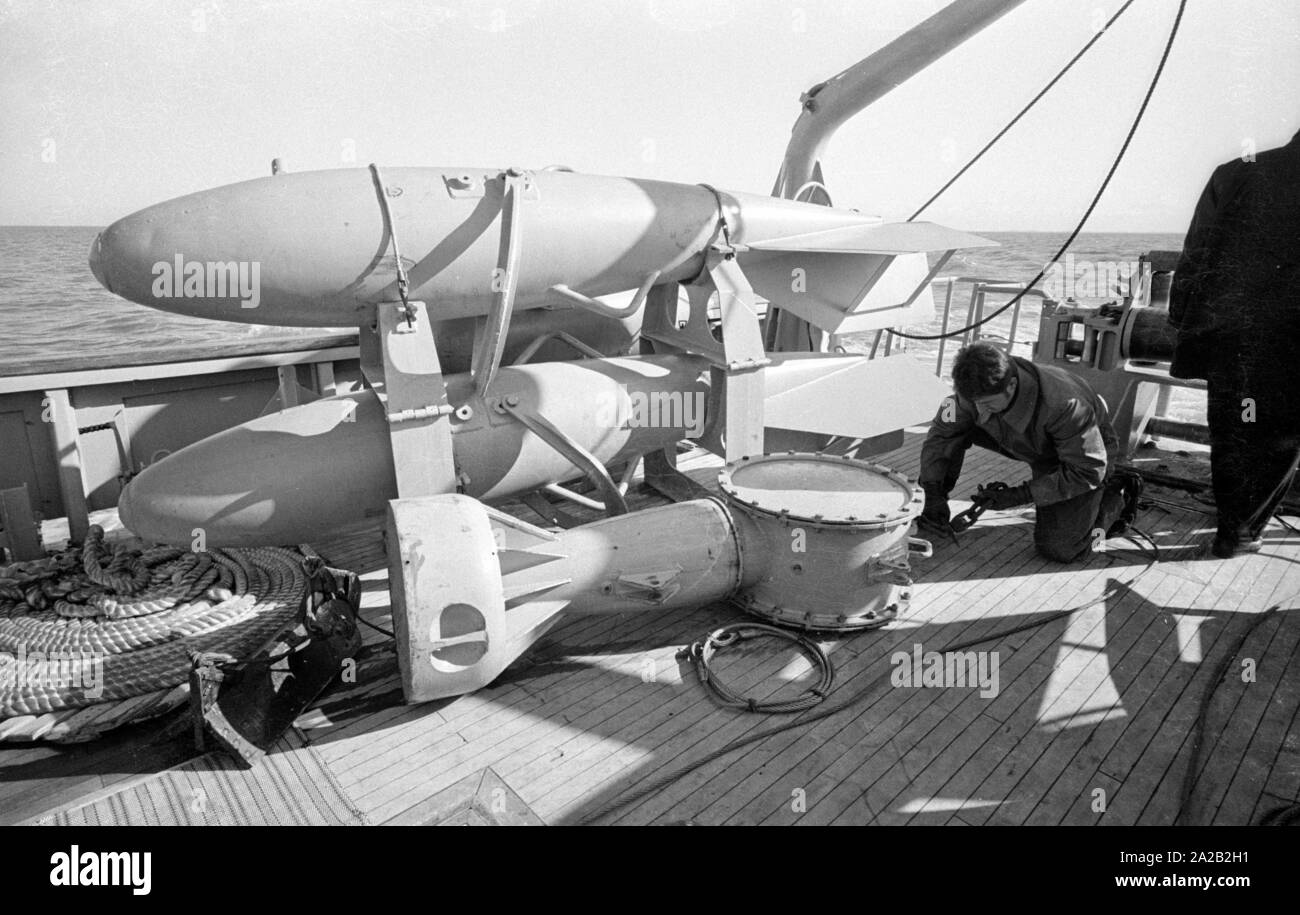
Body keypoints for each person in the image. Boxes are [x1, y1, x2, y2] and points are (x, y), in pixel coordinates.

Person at [1168, 129, 1300, 558]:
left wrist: (1179, 321)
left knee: (1236, 432)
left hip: (1234, 342)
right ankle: (1246, 527)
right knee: (1280, 439)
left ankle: (1235, 531)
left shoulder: (1235, 173)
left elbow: (1195, 255)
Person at [917, 341, 1142, 563]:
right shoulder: (963, 399)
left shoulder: (1067, 405)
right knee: (952, 430)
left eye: (987, 404)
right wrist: (933, 491)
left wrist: (1021, 495)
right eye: (973, 403)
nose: (980, 413)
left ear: (1011, 386)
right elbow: (940, 436)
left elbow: (1088, 470)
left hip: (1081, 458)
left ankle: (1115, 495)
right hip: (1026, 443)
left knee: (1063, 548)